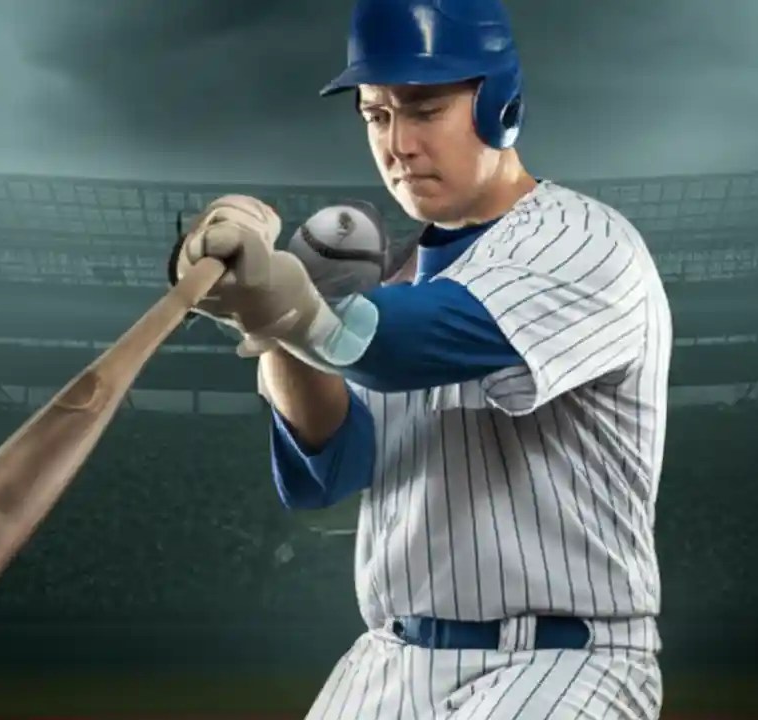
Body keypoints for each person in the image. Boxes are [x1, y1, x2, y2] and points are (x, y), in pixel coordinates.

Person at [168, 0, 673, 716]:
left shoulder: (584, 243)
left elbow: (395, 345)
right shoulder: (395, 280)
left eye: (423, 109)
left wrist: (286, 299)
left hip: (560, 664)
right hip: (392, 658)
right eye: (377, 115)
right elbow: (328, 472)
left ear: (500, 105)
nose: (396, 144)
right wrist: (271, 315)